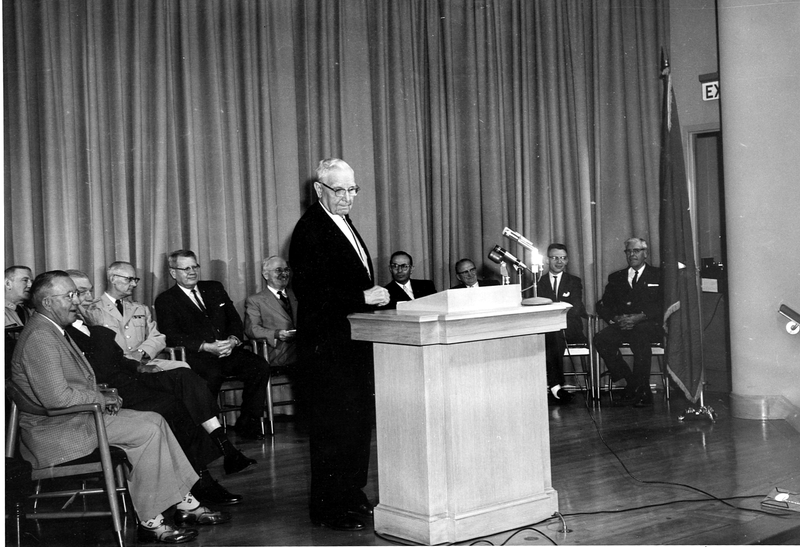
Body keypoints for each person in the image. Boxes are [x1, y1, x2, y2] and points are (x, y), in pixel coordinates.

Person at [11, 271, 227, 544]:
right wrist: (102, 398)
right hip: (57, 430)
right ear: (47, 302)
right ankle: (151, 520)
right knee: (147, 430)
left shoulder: (51, 329)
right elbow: (57, 399)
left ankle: (183, 501)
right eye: (70, 296)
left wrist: (102, 394)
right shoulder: (41, 337)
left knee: (155, 420)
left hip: (76, 418)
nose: (77, 301)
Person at [67, 270, 254, 503]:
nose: (86, 297)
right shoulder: (74, 325)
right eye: (79, 292)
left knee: (184, 376)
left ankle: (220, 448)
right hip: (112, 387)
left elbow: (148, 340)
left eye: (88, 290)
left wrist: (138, 365)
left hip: (135, 370)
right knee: (174, 404)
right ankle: (201, 479)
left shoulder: (93, 316)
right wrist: (99, 329)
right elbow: (102, 366)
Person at [289, 158, 390, 532]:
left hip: (352, 344)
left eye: (352, 190)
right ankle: (328, 509)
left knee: (355, 424)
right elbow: (312, 291)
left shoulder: (342, 221)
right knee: (333, 428)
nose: (347, 198)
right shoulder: (309, 229)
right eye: (339, 190)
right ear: (319, 190)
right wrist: (363, 296)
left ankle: (351, 494)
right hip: (328, 349)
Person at [154, 250, 271, 440]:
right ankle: (211, 432)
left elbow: (234, 320)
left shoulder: (214, 288)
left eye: (194, 266)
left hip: (229, 351)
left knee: (260, 366)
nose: (192, 272)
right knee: (211, 375)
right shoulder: (166, 299)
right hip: (199, 356)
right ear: (173, 272)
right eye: (186, 268)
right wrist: (206, 346)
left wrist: (233, 340)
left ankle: (249, 423)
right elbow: (172, 336)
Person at [594, 237, 664, 407]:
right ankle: (633, 381)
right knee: (601, 339)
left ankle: (642, 391)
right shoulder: (616, 277)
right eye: (629, 251)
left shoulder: (658, 275)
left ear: (645, 254)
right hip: (622, 325)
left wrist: (640, 317)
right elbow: (603, 305)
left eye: (636, 251)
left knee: (639, 336)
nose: (632, 254)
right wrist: (615, 319)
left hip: (648, 325)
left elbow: (663, 304)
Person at [81, 261, 185, 369]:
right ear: (113, 279)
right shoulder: (93, 310)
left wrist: (141, 352)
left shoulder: (140, 308)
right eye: (129, 279)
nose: (134, 284)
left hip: (144, 362)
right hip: (116, 367)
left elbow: (157, 337)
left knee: (182, 367)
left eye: (135, 280)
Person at [536, 244, 588, 404]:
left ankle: (555, 386)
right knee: (552, 336)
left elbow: (575, 308)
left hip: (570, 328)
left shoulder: (574, 281)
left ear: (567, 260)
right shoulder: (538, 282)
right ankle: (556, 385)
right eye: (555, 258)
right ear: (547, 260)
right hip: (548, 329)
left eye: (563, 258)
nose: (559, 262)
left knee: (555, 335)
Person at [244, 256, 298, 368]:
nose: (284, 274)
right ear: (265, 275)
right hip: (277, 353)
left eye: (286, 270)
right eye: (278, 270)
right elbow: (251, 329)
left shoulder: (297, 296)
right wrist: (276, 333)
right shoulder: (255, 300)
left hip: (301, 351)